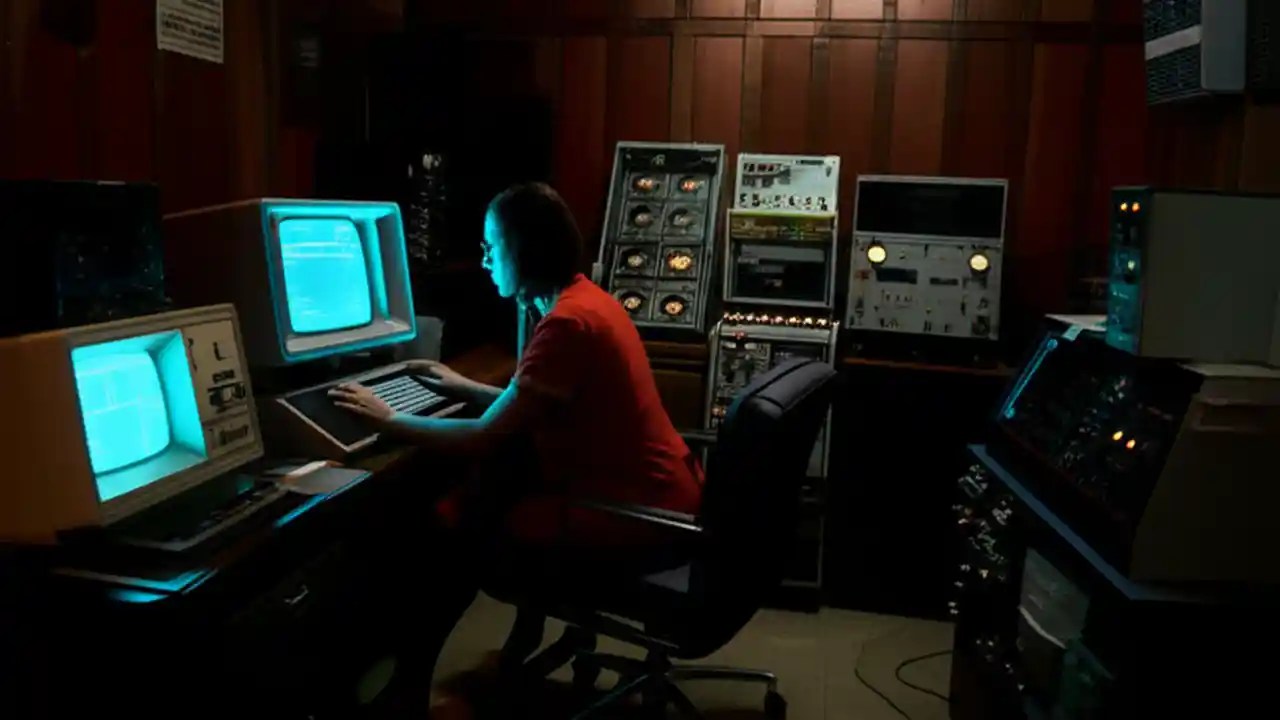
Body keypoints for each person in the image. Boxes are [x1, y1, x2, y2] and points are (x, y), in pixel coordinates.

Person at [328, 182, 704, 710]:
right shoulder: (584, 300)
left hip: (638, 510)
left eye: (491, 244)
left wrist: (390, 420)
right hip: (664, 491)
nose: (483, 257)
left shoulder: (568, 322)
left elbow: (487, 435)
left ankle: (410, 687)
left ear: (524, 249)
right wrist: (463, 386)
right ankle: (513, 648)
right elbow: (540, 403)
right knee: (481, 498)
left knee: (454, 538)